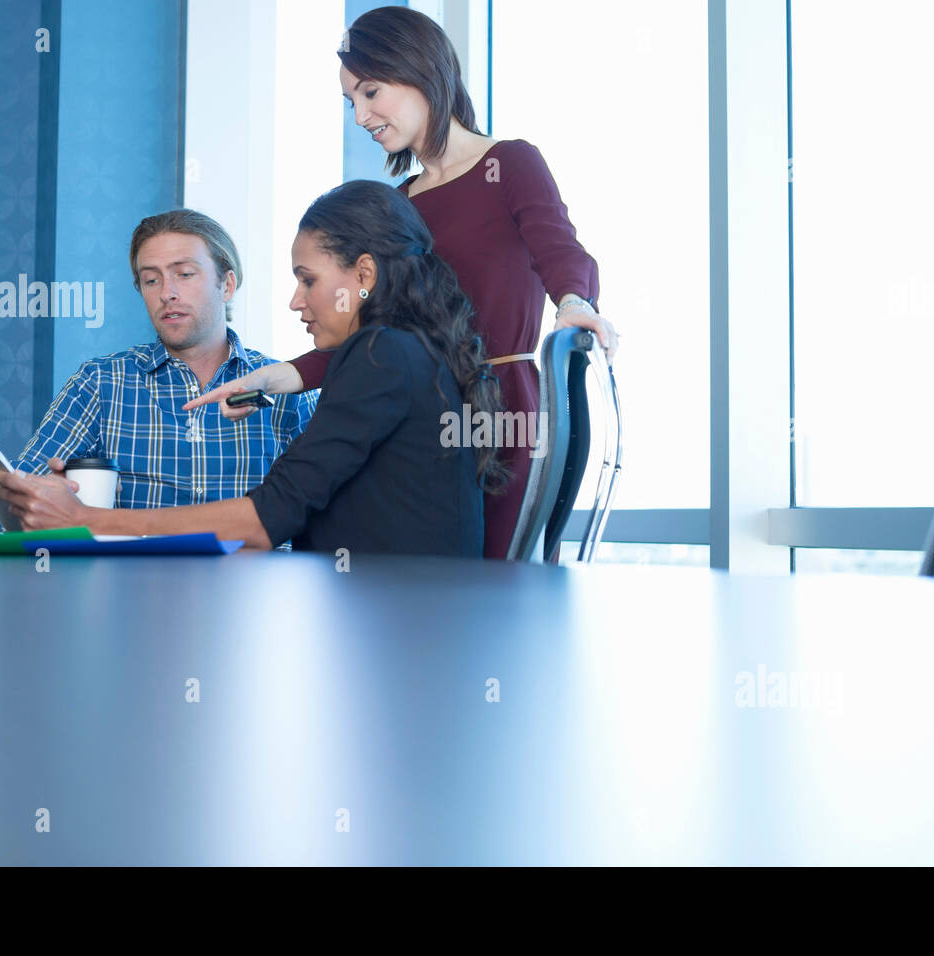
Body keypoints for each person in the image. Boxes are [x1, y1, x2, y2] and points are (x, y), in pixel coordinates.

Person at [190, 6, 618, 560]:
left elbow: (559, 249)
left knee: (496, 590)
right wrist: (281, 377)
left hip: (502, 413)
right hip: (422, 421)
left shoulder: (510, 164)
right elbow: (380, 329)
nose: (361, 115)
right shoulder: (399, 203)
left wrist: (575, 303)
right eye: (351, 102)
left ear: (419, 71)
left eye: (370, 92)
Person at [0, 181, 499, 557]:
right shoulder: (408, 352)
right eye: (150, 280)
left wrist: (88, 518)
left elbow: (268, 517)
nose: (296, 301)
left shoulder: (378, 356)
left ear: (363, 275)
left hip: (392, 632)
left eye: (308, 279)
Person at [0, 209, 315, 533]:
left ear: (227, 285)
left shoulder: (287, 393)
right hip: (135, 582)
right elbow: (4, 519)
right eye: (150, 279)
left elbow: (328, 522)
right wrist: (48, 502)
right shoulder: (101, 384)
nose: (166, 293)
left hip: (257, 582)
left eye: (185, 274)